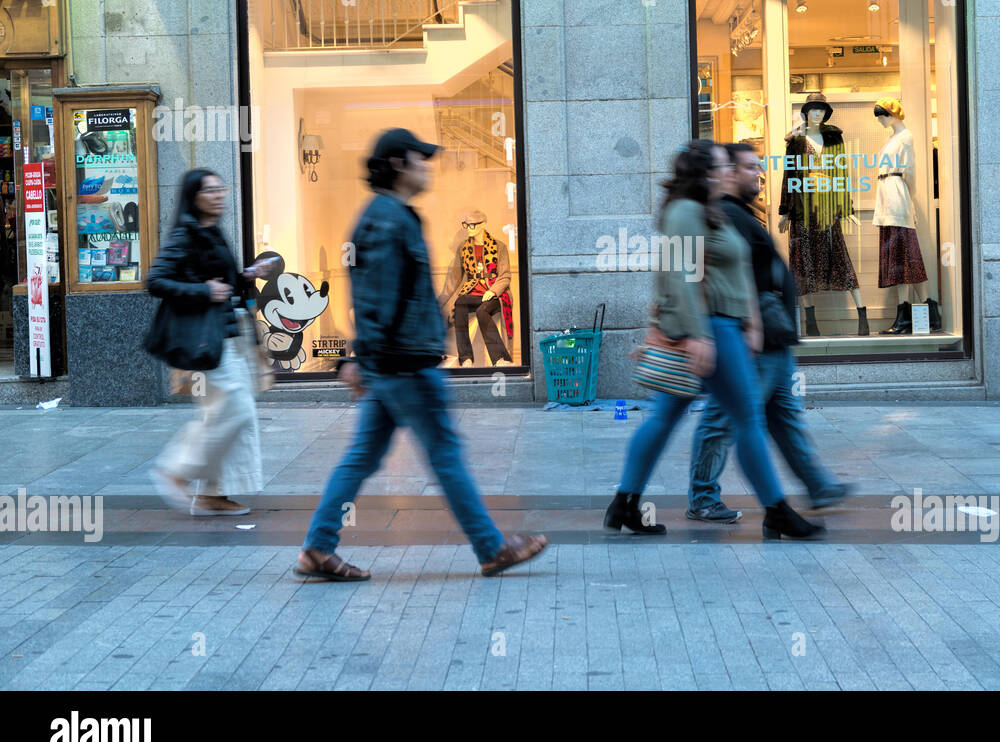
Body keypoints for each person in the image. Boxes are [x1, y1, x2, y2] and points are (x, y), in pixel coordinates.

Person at [296, 128, 547, 581]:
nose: (427, 165)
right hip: (404, 364)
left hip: (394, 362)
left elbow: (386, 297)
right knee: (446, 454)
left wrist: (367, 358)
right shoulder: (389, 220)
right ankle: (491, 548)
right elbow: (378, 299)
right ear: (397, 164)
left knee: (362, 457)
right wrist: (362, 360)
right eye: (420, 158)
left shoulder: (388, 215)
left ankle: (317, 548)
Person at [606, 139, 824, 540]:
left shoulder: (713, 212)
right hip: (713, 332)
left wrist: (752, 321)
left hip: (724, 328)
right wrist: (697, 336)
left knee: (666, 418)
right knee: (746, 420)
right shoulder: (686, 212)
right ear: (706, 173)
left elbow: (731, 272)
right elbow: (682, 277)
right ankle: (776, 511)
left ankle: (625, 504)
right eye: (723, 166)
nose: (729, 171)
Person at [686, 142, 851, 522]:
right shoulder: (724, 216)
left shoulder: (741, 214)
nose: (758, 173)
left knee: (784, 416)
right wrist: (745, 329)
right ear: (727, 172)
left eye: (759, 166)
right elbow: (720, 278)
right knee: (723, 419)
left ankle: (817, 485)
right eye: (748, 167)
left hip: (773, 339)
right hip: (753, 339)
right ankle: (703, 496)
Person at [148, 169, 275, 516]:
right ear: (194, 196)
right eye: (211, 190)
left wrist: (245, 276)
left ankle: (213, 493)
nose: (220, 195)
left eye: (222, 188)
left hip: (229, 334)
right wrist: (204, 291)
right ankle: (176, 470)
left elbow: (223, 280)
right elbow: (156, 280)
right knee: (236, 408)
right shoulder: (185, 234)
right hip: (207, 339)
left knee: (229, 412)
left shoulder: (211, 231)